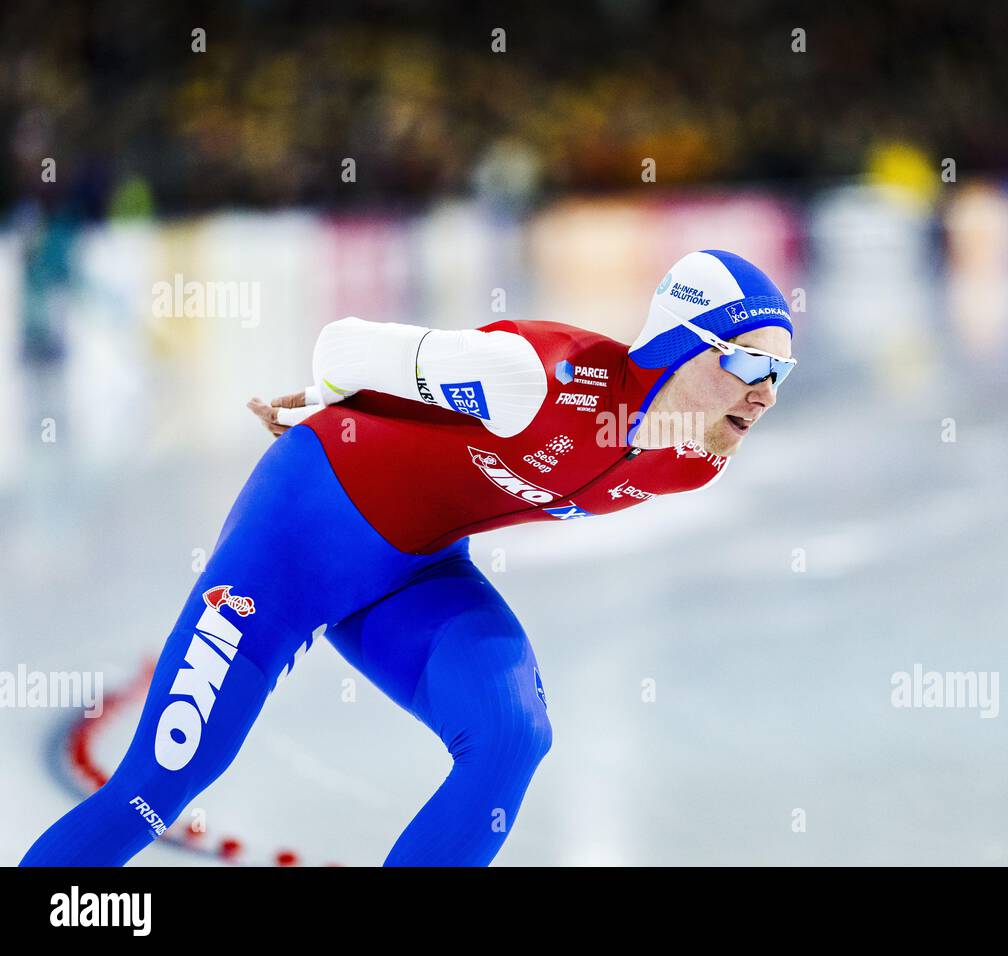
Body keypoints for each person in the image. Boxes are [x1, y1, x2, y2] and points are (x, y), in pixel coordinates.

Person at [20, 249, 797, 866]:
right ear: (683, 344)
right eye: (752, 364)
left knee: (510, 739)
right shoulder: (538, 380)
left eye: (781, 374)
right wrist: (329, 403)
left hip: (416, 568)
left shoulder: (694, 457)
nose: (766, 393)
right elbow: (345, 344)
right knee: (159, 786)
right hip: (296, 537)